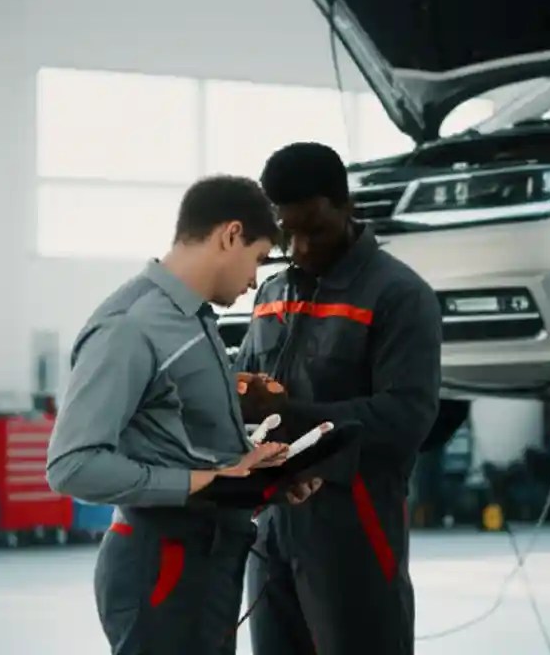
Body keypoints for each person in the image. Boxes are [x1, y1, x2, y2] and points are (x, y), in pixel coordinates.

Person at [45, 174, 323, 655]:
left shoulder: (194, 321)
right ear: (229, 235)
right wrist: (206, 480)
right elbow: (71, 466)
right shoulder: (131, 327)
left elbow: (186, 442)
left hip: (206, 562)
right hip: (162, 567)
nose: (255, 279)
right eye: (257, 259)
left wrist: (260, 476)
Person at [235, 142, 443, 655]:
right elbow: (240, 389)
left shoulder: (398, 295)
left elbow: (406, 418)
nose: (301, 247)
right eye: (288, 232)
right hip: (270, 529)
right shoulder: (269, 294)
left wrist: (290, 416)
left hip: (354, 528)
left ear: (347, 207)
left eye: (316, 228)